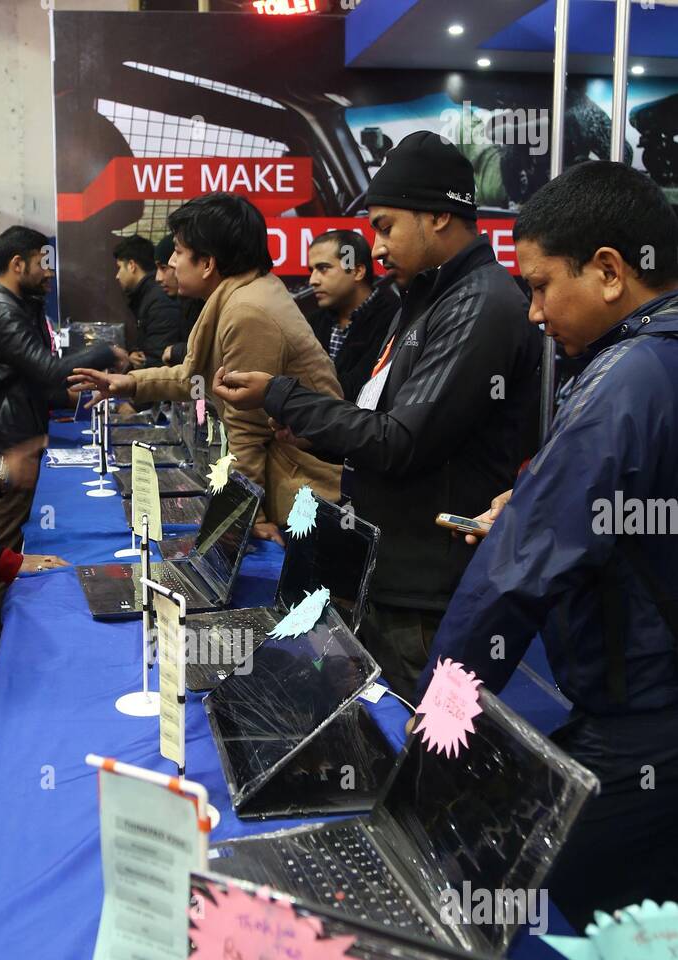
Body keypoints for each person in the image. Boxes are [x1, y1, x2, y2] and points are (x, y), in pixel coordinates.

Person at [416, 161, 678, 929]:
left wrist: (442, 718)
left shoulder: (628, 378)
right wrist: (540, 500)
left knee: (529, 896)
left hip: (647, 714)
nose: (530, 312)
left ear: (605, 271)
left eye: (538, 285)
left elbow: (514, 576)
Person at [213, 132, 542, 697]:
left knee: (425, 763)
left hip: (429, 596)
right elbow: (374, 415)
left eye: (386, 226)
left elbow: (399, 442)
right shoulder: (426, 296)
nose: (376, 247)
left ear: (439, 216)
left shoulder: (479, 303)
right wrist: (309, 428)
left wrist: (284, 396)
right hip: (390, 576)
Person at [72, 194, 344, 541]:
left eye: (179, 253)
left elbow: (247, 428)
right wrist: (128, 383)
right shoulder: (240, 295)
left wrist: (247, 517)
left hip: (301, 499)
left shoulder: (248, 311)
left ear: (207, 263)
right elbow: (195, 378)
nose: (171, 262)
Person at [0, 224, 114, 668]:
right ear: (19, 264)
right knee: (6, 547)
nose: (51, 274)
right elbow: (48, 372)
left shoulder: (17, 306)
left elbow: (37, 380)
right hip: (8, 443)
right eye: (44, 263)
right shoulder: (1, 312)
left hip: (18, 435)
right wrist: (108, 352)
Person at [306, 229, 399, 398]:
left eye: (323, 268)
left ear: (356, 271)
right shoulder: (312, 322)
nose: (313, 280)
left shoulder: (394, 319)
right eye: (311, 270)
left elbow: (361, 388)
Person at [113, 234, 181, 368]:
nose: (117, 275)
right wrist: (134, 354)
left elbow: (160, 359)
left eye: (119, 267)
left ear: (132, 265)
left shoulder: (160, 300)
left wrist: (137, 362)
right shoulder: (147, 296)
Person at [155, 231, 202, 368]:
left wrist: (177, 351)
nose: (158, 278)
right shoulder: (184, 301)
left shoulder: (206, 302)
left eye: (163, 268)